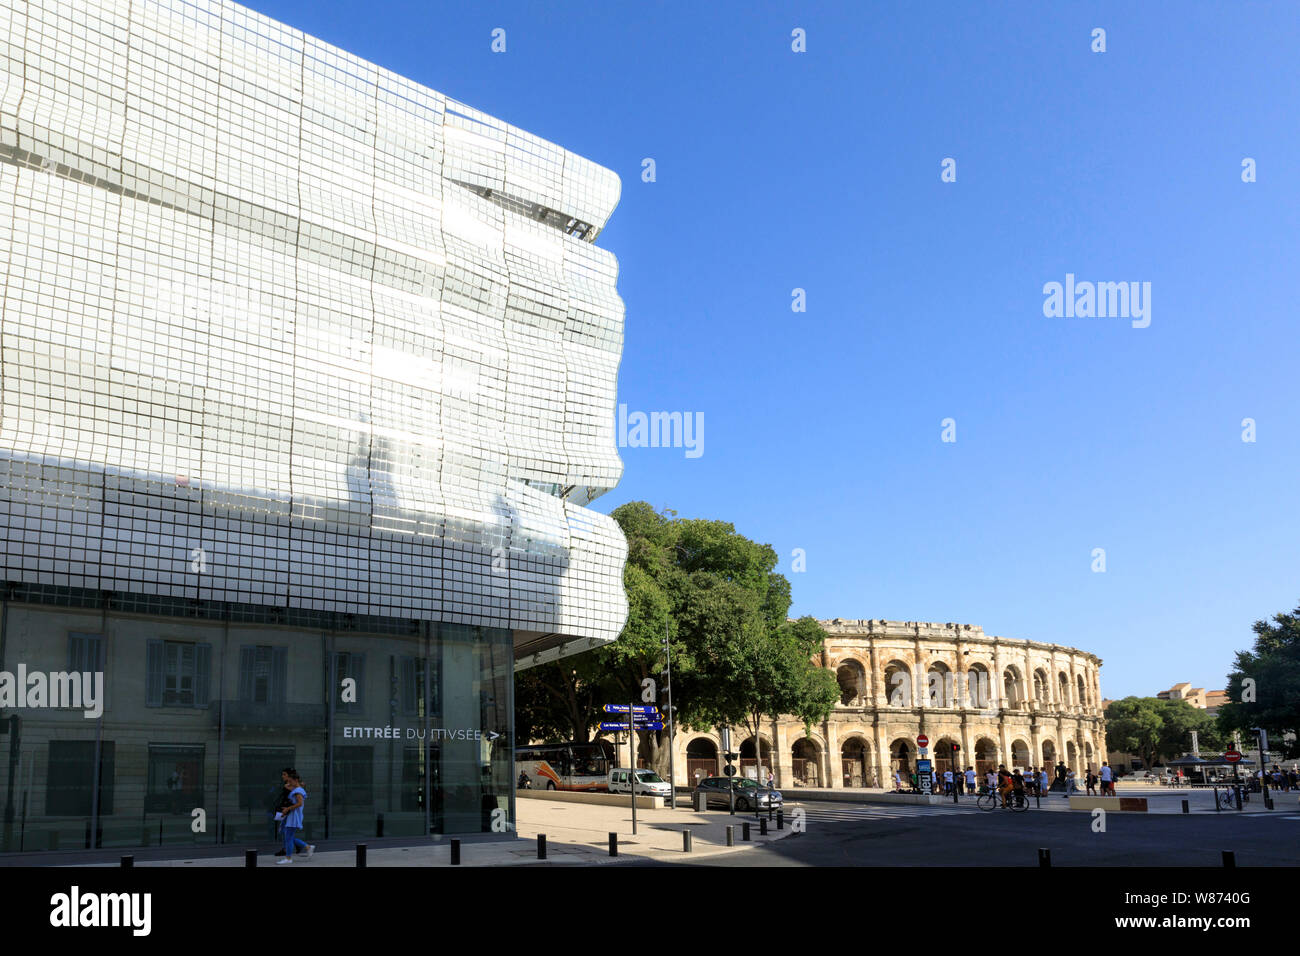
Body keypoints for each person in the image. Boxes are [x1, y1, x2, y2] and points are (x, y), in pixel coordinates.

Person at [277, 771, 314, 864]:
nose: (288, 783)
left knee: (288, 837)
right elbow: (287, 787)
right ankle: (307, 847)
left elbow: (300, 803)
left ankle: (288, 858)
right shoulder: (296, 788)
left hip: (294, 816)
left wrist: (288, 808)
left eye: (290, 781)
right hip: (291, 815)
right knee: (287, 836)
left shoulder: (298, 791)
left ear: (295, 780)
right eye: (288, 781)